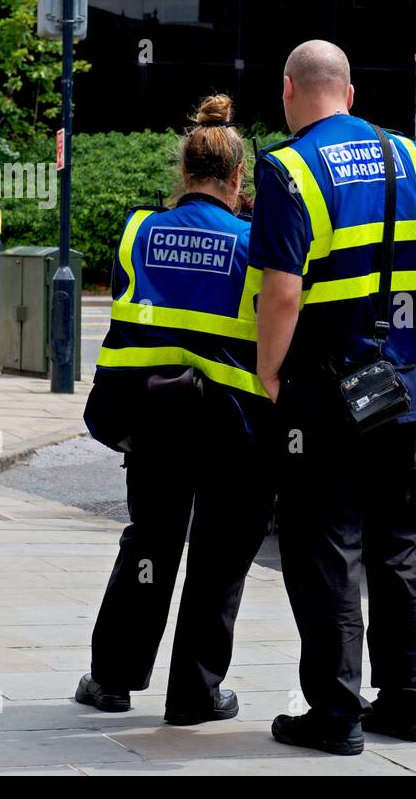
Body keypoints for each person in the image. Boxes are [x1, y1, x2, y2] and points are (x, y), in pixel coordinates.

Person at [251, 40, 416, 756]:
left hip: (324, 391)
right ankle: (410, 702)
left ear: (288, 91)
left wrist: (269, 374)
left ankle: (335, 714)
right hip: (401, 387)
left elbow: (282, 292)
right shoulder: (411, 157)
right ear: (352, 91)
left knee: (326, 549)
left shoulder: (289, 167)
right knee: (400, 548)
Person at [76, 93, 271, 726]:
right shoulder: (254, 245)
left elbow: (126, 329)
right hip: (233, 426)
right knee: (219, 555)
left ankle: (111, 680)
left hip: (156, 419)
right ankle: (194, 694)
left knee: (150, 544)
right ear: (238, 177)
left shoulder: (138, 231)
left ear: (182, 171)